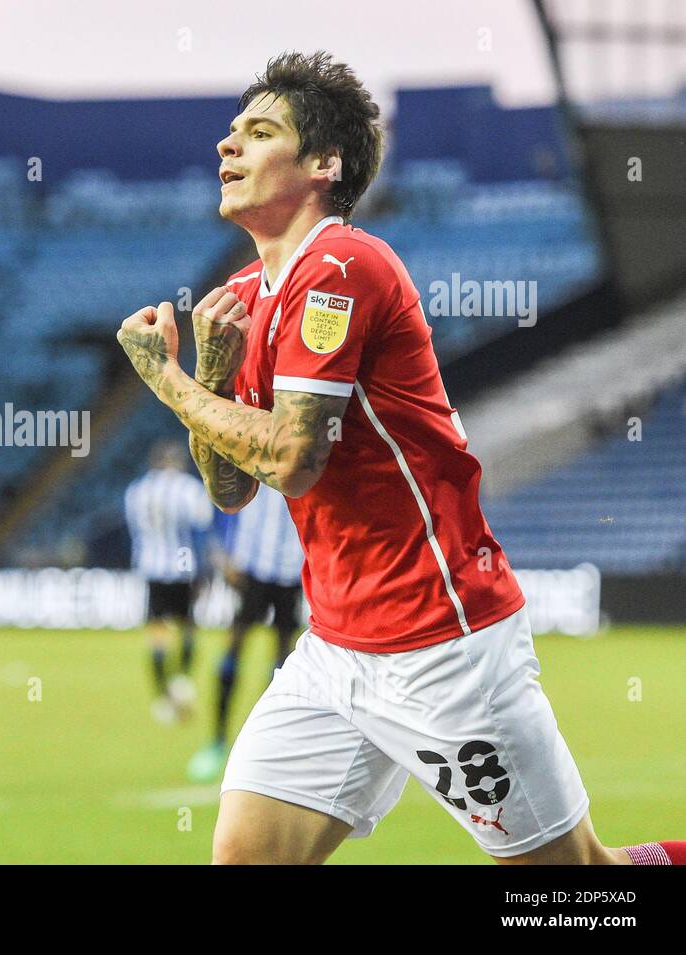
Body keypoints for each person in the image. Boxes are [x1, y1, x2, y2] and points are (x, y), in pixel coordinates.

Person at [115, 51, 682, 864]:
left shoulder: (344, 265)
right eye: (231, 131)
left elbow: (295, 458)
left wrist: (167, 382)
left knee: (575, 886)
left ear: (323, 165)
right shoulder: (243, 297)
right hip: (336, 649)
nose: (227, 147)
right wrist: (209, 371)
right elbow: (232, 486)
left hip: (439, 644)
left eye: (259, 131)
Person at [187, 484, 303, 783]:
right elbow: (224, 499)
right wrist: (224, 554)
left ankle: (271, 746)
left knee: (283, 659)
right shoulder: (255, 450)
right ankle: (217, 740)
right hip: (251, 565)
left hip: (294, 569)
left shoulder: (309, 453)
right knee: (234, 647)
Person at [123, 441, 213, 723]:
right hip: (184, 570)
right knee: (187, 627)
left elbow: (135, 530)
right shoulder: (189, 488)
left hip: (152, 568)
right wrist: (205, 572)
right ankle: (182, 682)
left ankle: (163, 697)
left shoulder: (137, 491)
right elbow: (202, 528)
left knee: (157, 633)